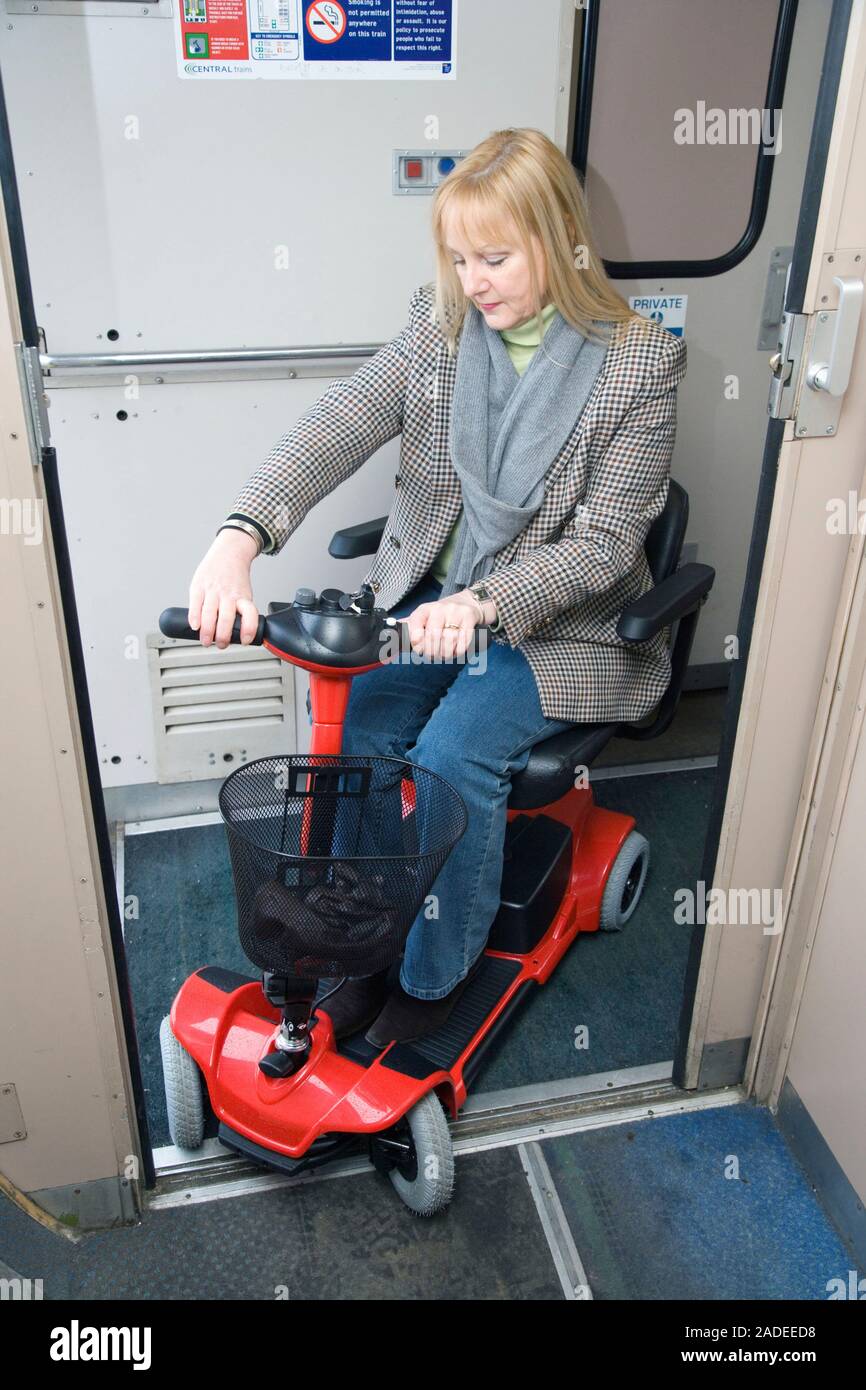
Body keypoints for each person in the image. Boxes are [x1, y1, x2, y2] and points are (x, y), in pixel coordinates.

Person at [187, 127, 687, 1048]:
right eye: (459, 259)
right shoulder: (441, 324)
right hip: (435, 603)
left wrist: (489, 604)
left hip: (560, 628)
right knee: (364, 728)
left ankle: (433, 972)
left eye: (494, 258)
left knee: (455, 754)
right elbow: (341, 420)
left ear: (560, 241)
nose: (473, 280)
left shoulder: (638, 360)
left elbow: (608, 544)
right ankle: (360, 937)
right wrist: (239, 534)